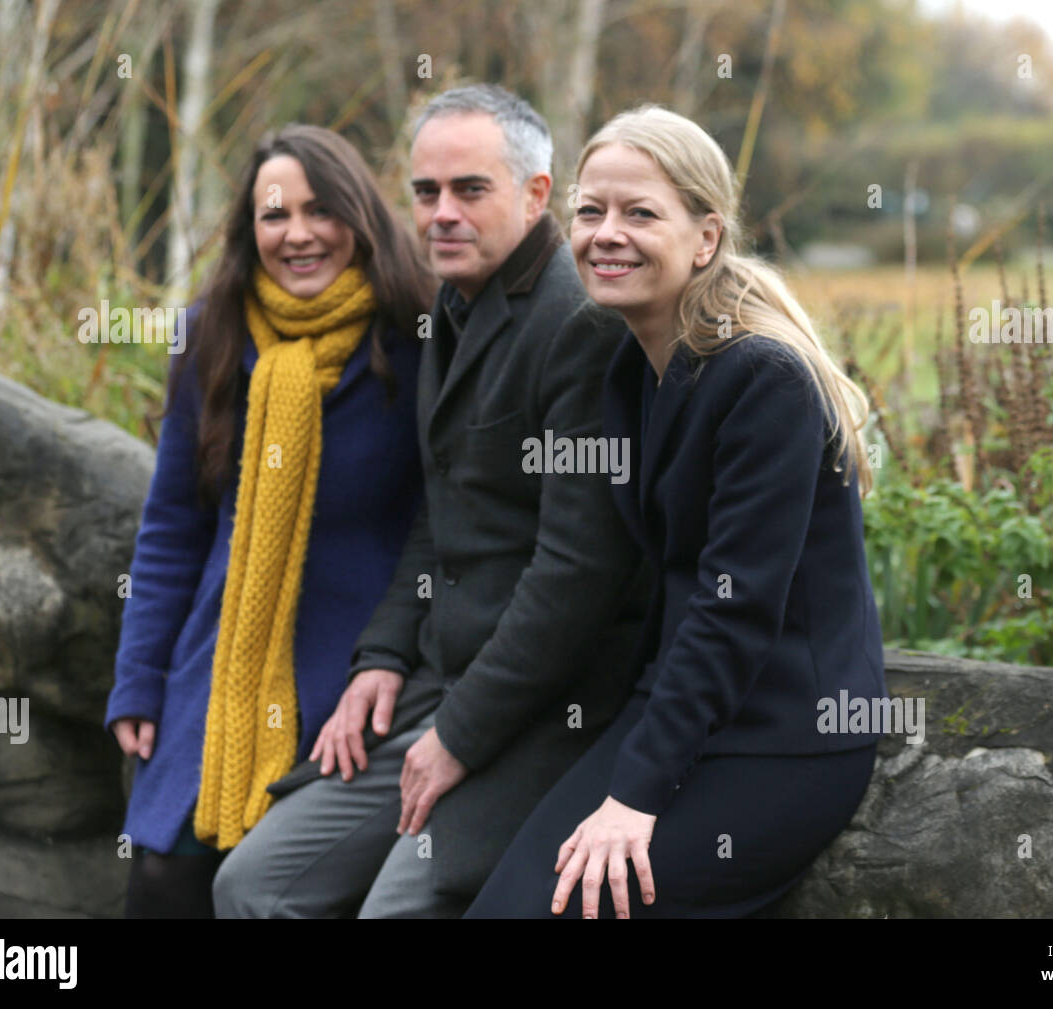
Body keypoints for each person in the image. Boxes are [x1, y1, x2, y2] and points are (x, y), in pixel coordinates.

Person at [212, 84, 651, 919]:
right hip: (431, 682)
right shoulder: (449, 304)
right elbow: (438, 513)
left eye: (470, 190)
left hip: (541, 709)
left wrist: (459, 735)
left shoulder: (580, 324)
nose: (441, 213)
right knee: (251, 884)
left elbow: (580, 572)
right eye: (425, 192)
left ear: (536, 194)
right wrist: (380, 655)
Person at [465, 104, 889, 919]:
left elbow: (735, 608)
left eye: (640, 213)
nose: (606, 233)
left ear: (705, 236)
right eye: (590, 212)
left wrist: (635, 798)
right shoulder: (632, 366)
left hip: (780, 739)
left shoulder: (761, 378)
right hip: (676, 714)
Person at [104, 123, 434, 917]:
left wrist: (393, 651)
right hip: (218, 664)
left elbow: (443, 517)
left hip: (352, 669)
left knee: (268, 883)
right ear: (249, 230)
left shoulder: (416, 334)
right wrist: (138, 678)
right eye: (274, 214)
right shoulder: (212, 331)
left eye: (320, 210)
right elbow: (173, 526)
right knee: (163, 876)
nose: (298, 233)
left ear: (358, 214)